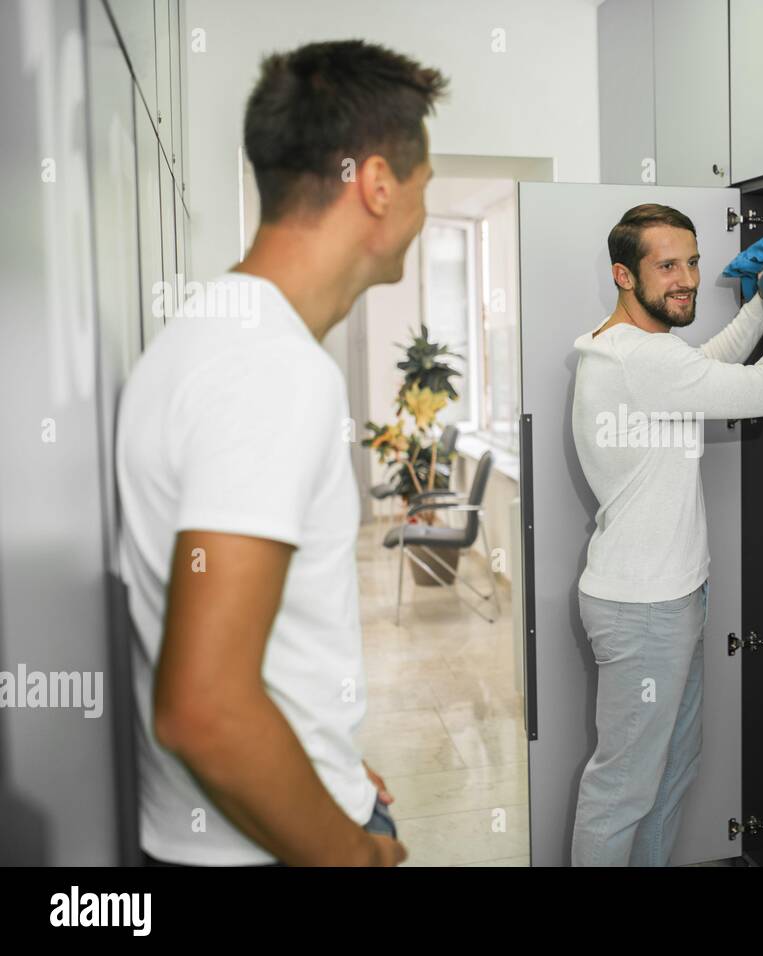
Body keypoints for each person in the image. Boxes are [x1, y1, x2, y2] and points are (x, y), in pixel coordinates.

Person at [116, 40, 448, 866]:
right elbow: (202, 708)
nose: (423, 210)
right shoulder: (270, 371)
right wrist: (352, 852)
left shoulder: (211, 337)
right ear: (375, 184)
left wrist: (324, 768)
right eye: (423, 186)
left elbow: (244, 659)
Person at [569, 203, 763, 865]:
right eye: (667, 266)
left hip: (669, 597)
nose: (686, 278)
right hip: (643, 608)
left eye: (691, 261)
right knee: (623, 788)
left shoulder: (638, 353)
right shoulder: (639, 360)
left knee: (670, 774)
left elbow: (705, 367)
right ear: (624, 276)